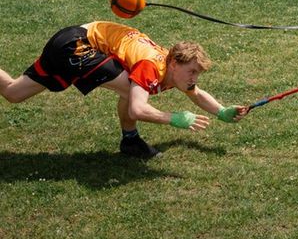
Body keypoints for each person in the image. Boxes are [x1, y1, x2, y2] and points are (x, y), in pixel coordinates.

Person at [0, 20, 247, 159]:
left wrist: (222, 111)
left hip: (68, 40)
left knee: (13, 92)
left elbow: (196, 93)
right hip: (77, 45)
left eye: (198, 73)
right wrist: (175, 119)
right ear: (173, 64)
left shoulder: (170, 68)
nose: (195, 78)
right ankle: (130, 141)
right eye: (192, 71)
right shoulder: (151, 67)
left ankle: (130, 141)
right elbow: (138, 108)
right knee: (133, 93)